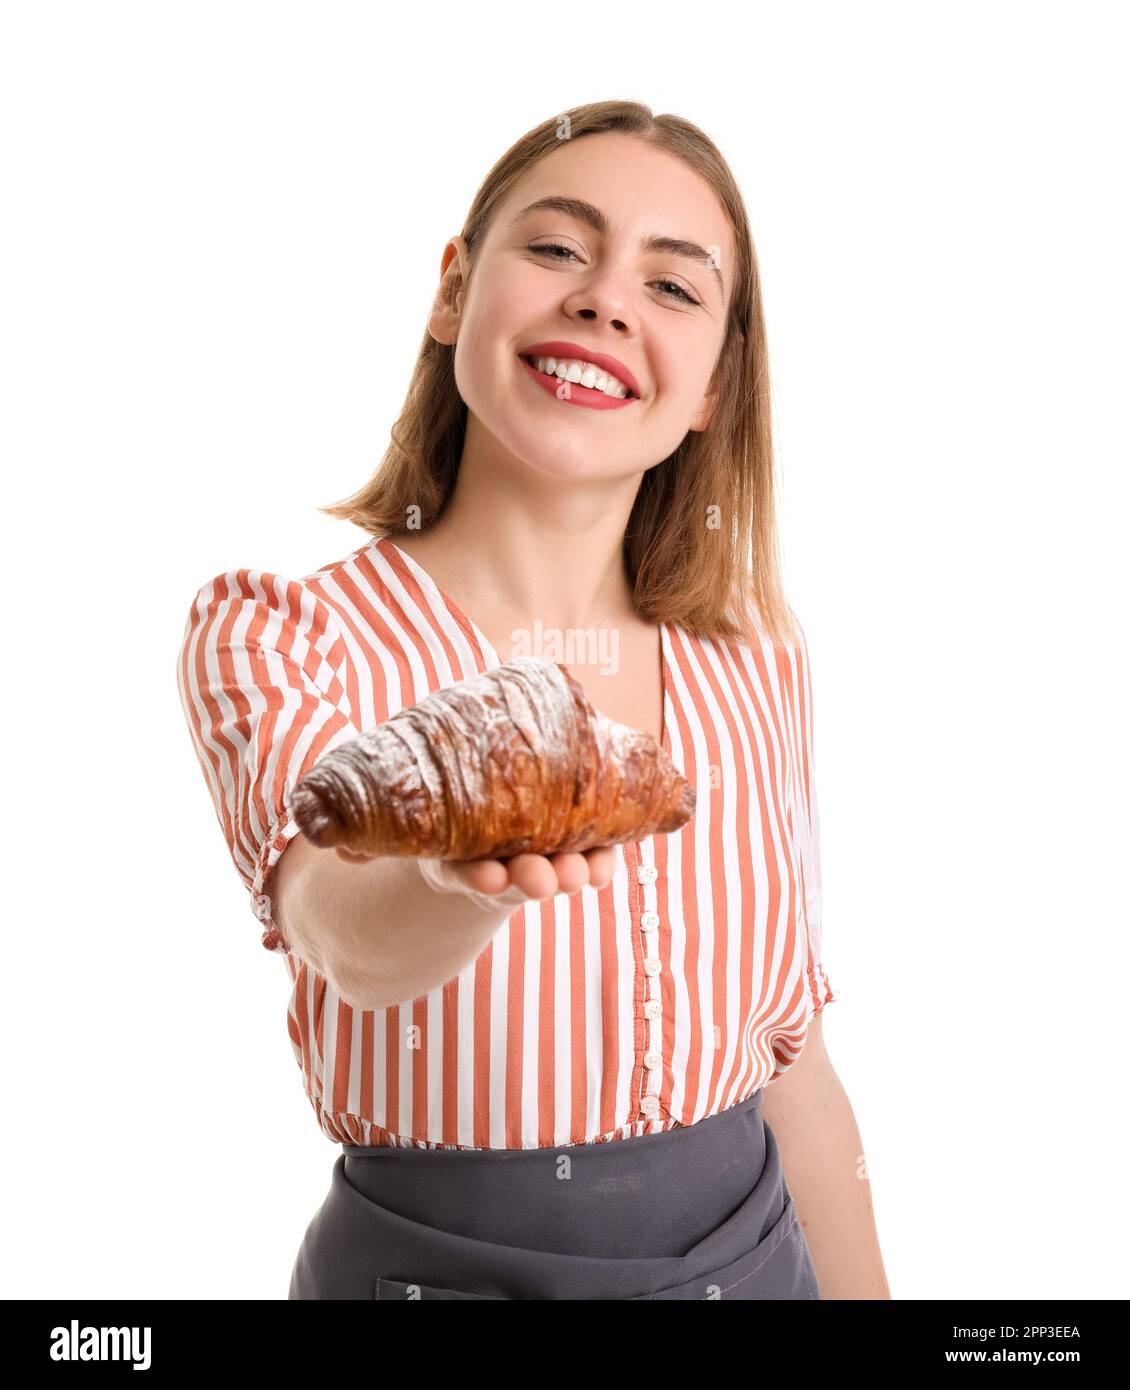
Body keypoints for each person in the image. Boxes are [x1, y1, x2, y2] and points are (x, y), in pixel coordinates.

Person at [176, 99, 890, 1300]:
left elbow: (793, 1065)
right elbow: (336, 928)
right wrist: (453, 877)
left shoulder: (756, 657)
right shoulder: (281, 635)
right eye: (557, 248)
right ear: (453, 292)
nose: (604, 299)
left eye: (673, 287)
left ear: (714, 384)